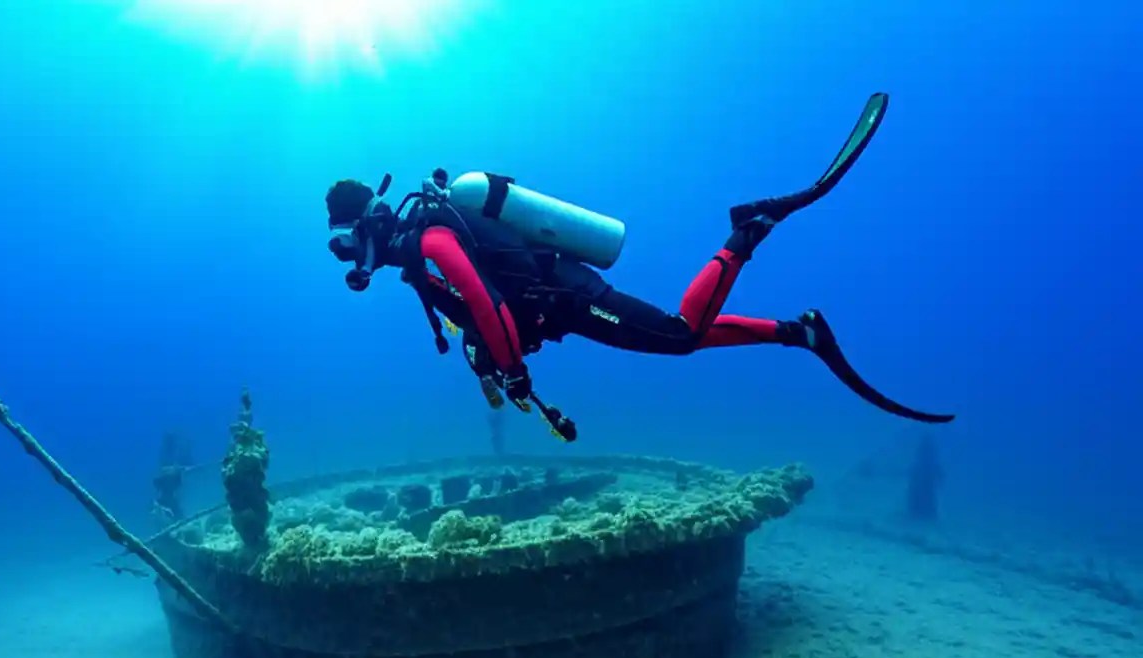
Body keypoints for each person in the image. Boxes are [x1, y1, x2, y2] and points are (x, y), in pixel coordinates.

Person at [322, 93, 954, 441]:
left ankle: (747, 230)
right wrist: (492, 364)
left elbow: (486, 305)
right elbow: (475, 320)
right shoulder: (415, 263)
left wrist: (511, 370)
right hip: (556, 304)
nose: (350, 262)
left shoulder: (431, 240)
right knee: (675, 335)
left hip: (568, 295)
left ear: (369, 224)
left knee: (678, 335)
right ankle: (801, 332)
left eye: (344, 246)